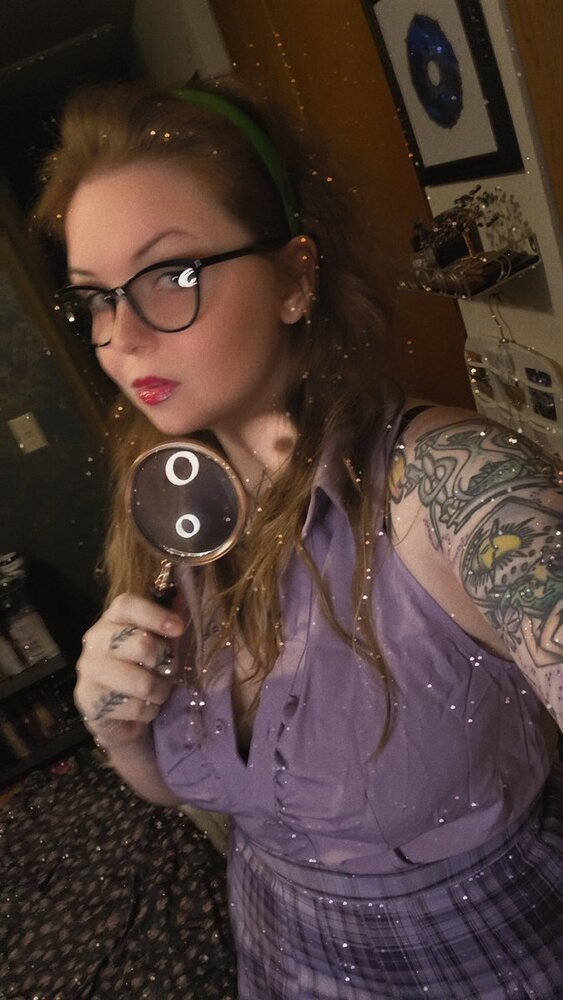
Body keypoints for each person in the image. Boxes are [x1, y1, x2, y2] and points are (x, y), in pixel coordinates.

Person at [34, 78, 562, 999]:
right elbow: (187, 786)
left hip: (488, 953)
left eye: (172, 276)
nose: (121, 339)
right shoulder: (164, 504)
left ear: (295, 278)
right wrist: (119, 733)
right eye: (97, 299)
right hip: (276, 942)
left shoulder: (447, 487)